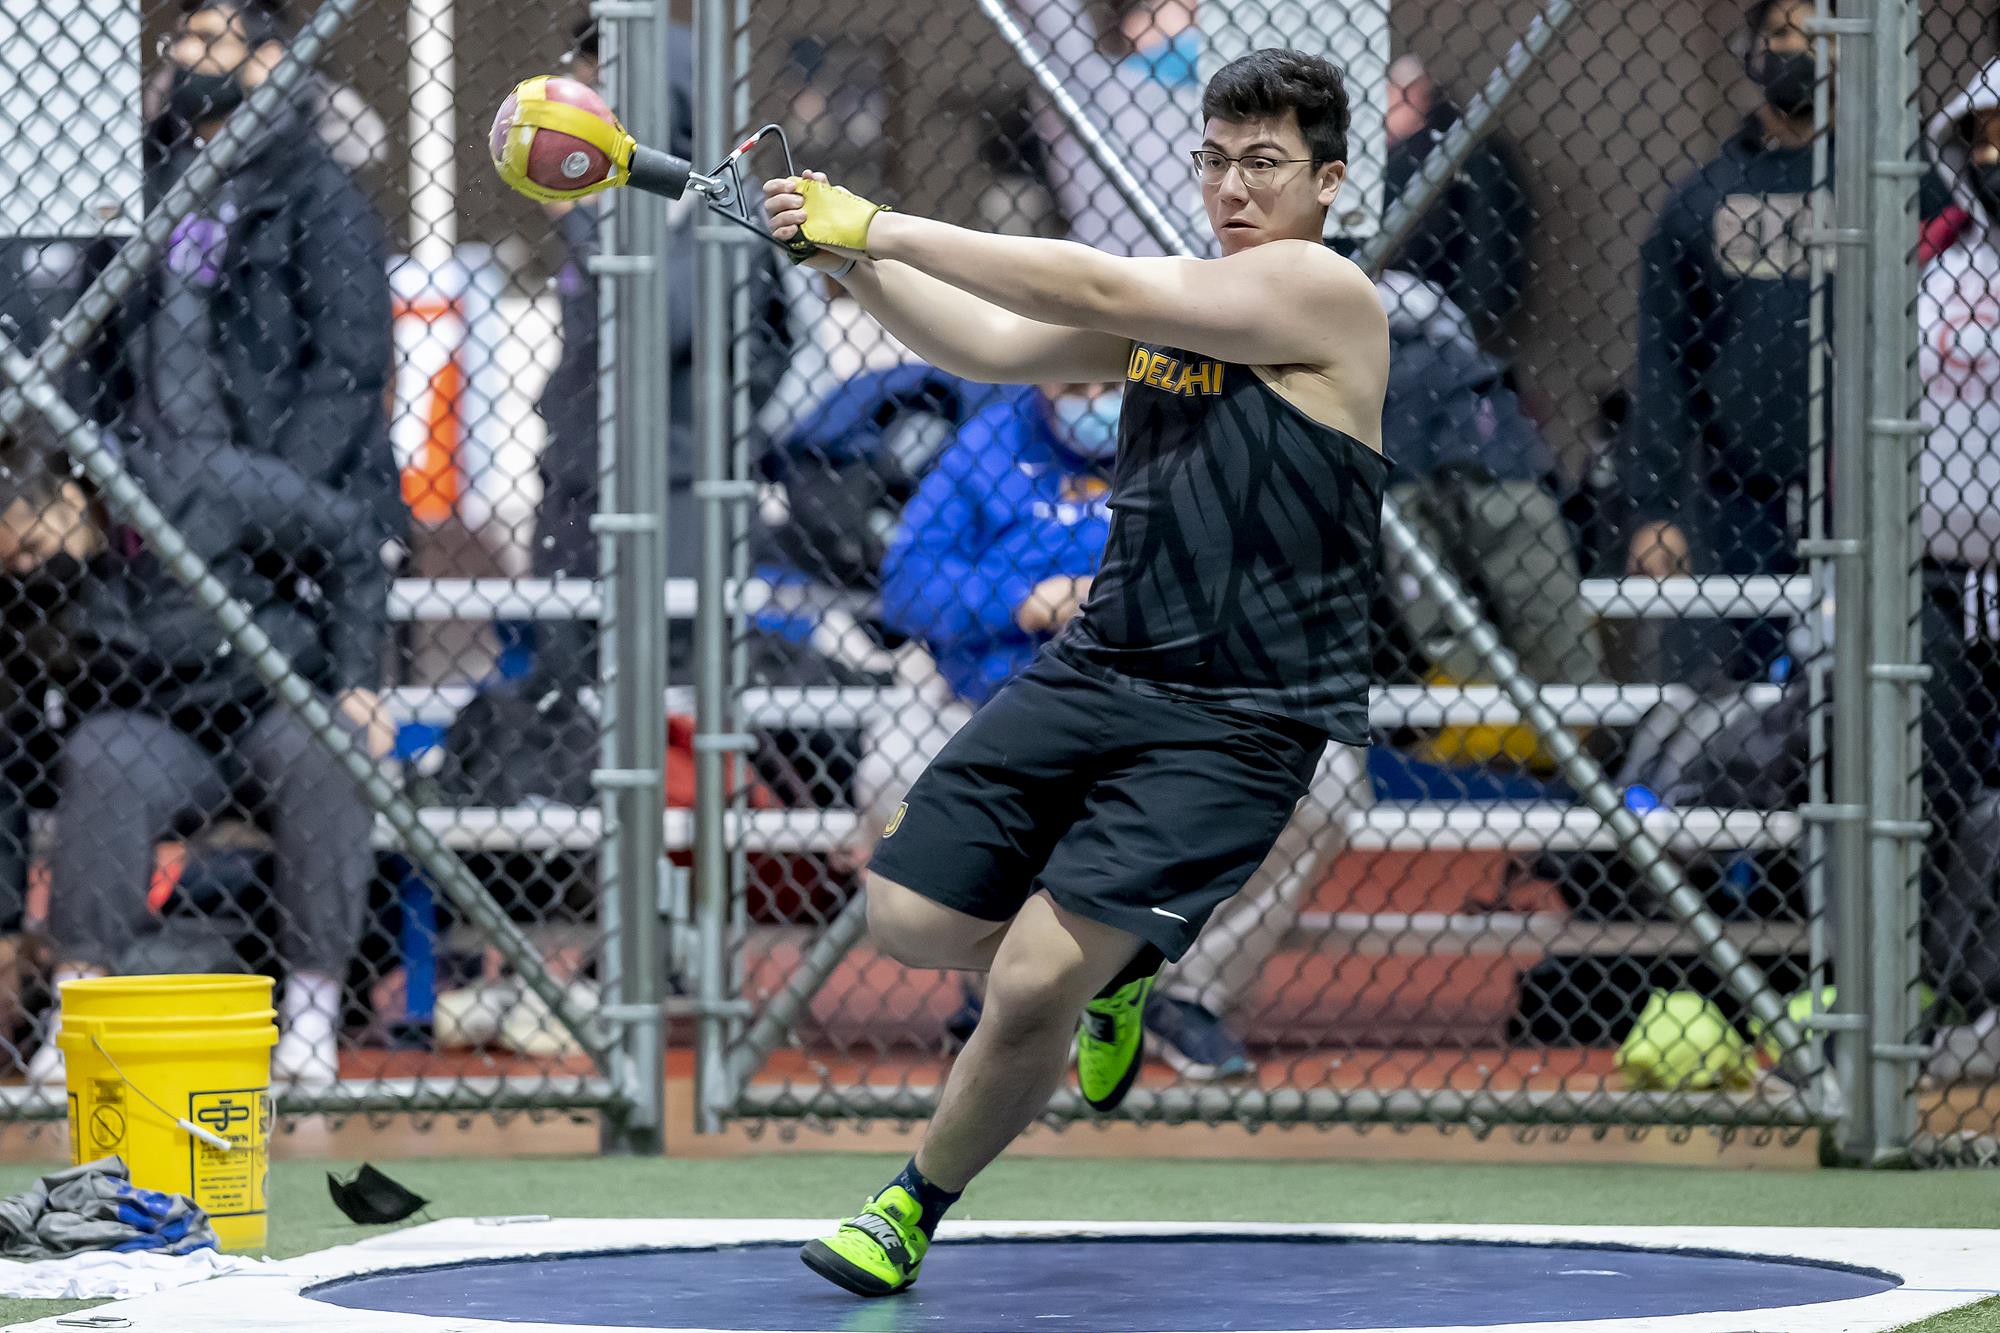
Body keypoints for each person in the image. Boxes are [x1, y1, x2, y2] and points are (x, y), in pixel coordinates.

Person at [764, 48, 1387, 1295]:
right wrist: (846, 265)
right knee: (907, 918)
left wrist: (878, 221)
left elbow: (1090, 275)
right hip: (1098, 668)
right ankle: (1124, 968)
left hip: (1237, 716)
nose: (1232, 187)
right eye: (1215, 161)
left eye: (1264, 164)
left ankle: (909, 1204)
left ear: (1328, 182)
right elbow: (995, 343)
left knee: (1032, 975)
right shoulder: (1179, 310)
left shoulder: (1323, 292)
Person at [0, 422, 390, 1090]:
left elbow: (351, 537)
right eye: (13, 564)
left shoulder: (201, 480)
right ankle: (78, 1010)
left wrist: (359, 680)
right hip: (152, 724)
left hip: (270, 700)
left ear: (68, 498)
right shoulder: (38, 587)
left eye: (33, 547)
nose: (28, 569)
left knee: (328, 750)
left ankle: (311, 1014)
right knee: (101, 758)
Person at [1625, 0, 1948, 679]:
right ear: (1752, 51)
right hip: (1743, 494)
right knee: (1751, 684)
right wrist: (1657, 508)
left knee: (1876, 667)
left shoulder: (1897, 180)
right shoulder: (1705, 198)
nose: (1799, 49)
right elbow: (1664, 362)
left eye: (1819, 33)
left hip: (1878, 485)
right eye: (1781, 33)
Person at [76, 0, 405, 551]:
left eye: (207, 40)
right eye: (179, 40)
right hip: (157, 488)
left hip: (274, 497)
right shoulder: (146, 176)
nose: (184, 55)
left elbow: (349, 360)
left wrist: (279, 499)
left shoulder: (316, 185)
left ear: (266, 60)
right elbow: (95, 339)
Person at [1915, 62, 2000, 1082]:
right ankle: (1917, 997)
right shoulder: (1939, 263)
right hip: (1936, 574)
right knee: (1920, 784)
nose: (1989, 157)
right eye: (1977, 138)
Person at [1381, 55, 1531, 342]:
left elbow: (1425, 236)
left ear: (1409, 94)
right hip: (1458, 299)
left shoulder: (1425, 152)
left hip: (1431, 294)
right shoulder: (1458, 145)